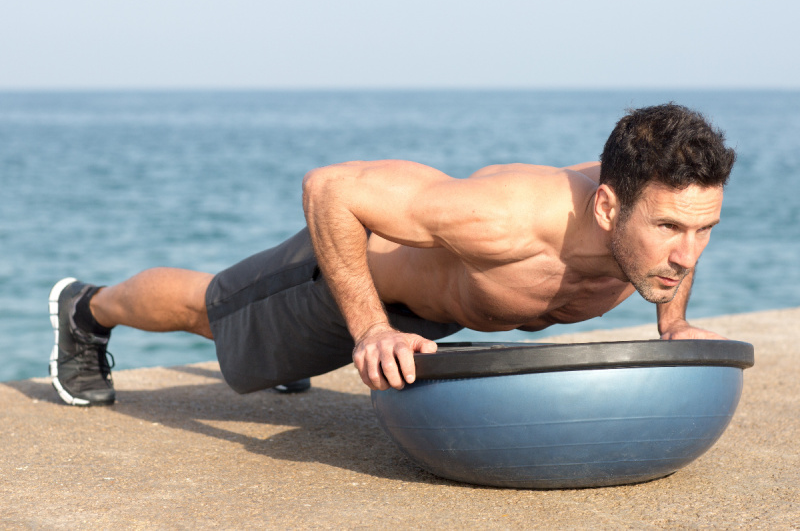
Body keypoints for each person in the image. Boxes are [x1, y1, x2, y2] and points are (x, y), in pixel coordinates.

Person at [48, 103, 736, 407]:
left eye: (703, 229)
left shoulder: (657, 218)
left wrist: (671, 324)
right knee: (212, 311)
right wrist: (370, 326)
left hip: (435, 313)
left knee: (269, 350)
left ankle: (301, 353)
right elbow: (330, 188)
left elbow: (679, 240)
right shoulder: (504, 220)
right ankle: (86, 309)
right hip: (347, 283)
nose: (687, 252)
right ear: (609, 208)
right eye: (673, 229)